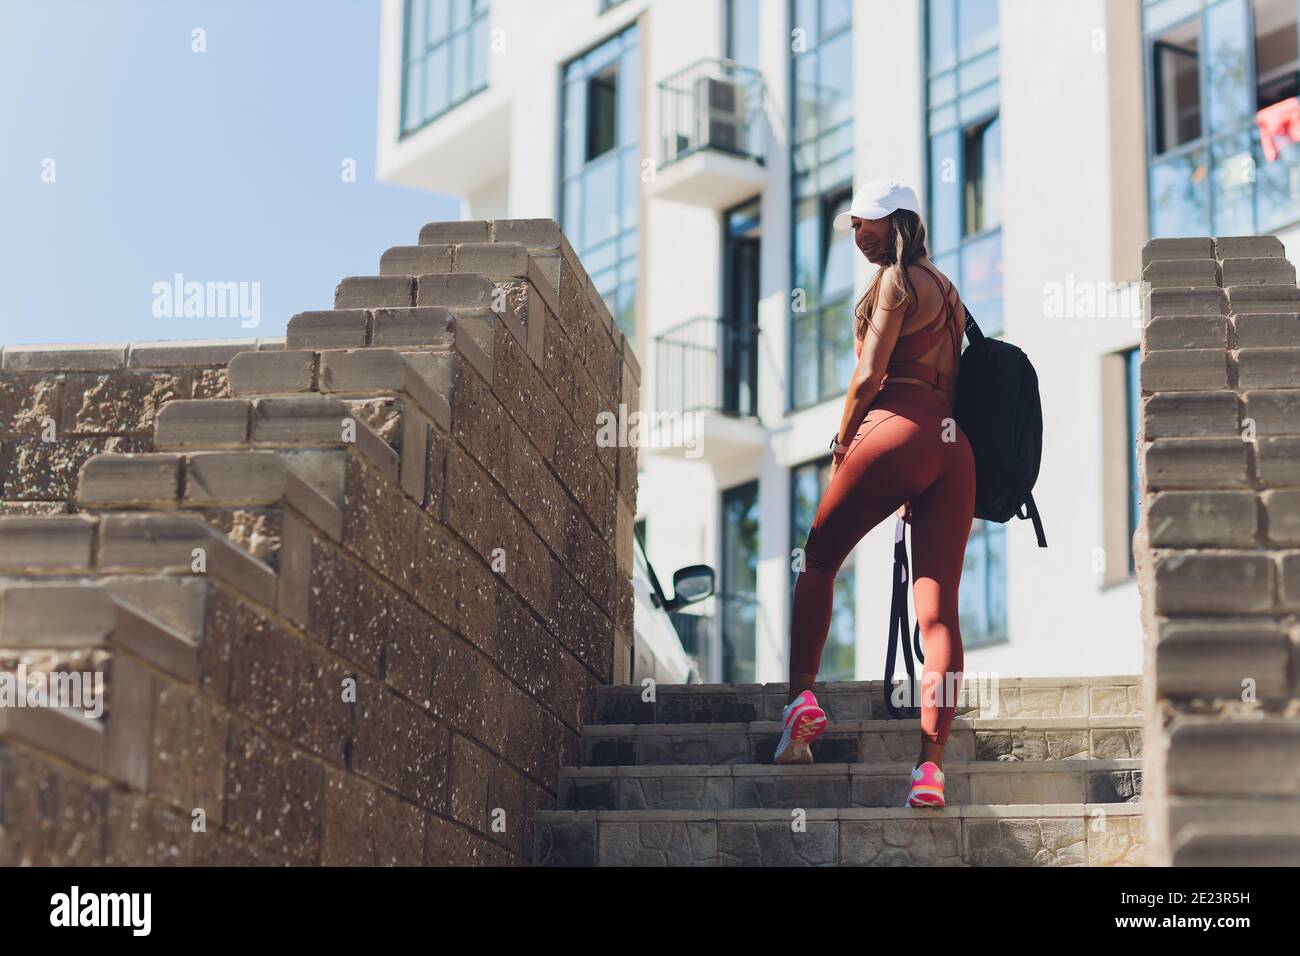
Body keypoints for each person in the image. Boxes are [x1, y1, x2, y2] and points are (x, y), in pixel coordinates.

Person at [773, 179, 976, 810]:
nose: (859, 235)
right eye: (855, 225)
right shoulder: (950, 292)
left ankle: (800, 702)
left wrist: (842, 443)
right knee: (939, 614)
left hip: (895, 429)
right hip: (952, 449)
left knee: (818, 558)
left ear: (899, 222)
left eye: (868, 223)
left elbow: (869, 374)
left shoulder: (897, 280)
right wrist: (922, 472)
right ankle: (930, 770)